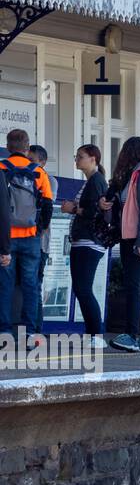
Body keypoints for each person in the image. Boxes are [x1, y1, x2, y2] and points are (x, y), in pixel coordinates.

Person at [102, 136, 140, 352]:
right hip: (130, 236)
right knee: (136, 286)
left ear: (128, 153)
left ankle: (131, 335)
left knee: (132, 286)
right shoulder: (131, 176)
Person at [0, 129, 54, 349]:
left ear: (8, 146)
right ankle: (29, 333)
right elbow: (48, 206)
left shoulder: (1, 168)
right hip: (31, 238)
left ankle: (4, 333)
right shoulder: (39, 173)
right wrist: (39, 229)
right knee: (31, 286)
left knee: (5, 285)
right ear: (27, 147)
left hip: (5, 238)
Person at [60, 144, 110, 348]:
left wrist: (74, 209)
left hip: (89, 241)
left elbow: (94, 212)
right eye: (76, 156)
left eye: (80, 156)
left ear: (93, 159)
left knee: (83, 288)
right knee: (82, 288)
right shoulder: (91, 181)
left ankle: (96, 335)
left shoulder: (96, 181)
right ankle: (93, 334)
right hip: (83, 241)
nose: (76, 160)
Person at [29, 144, 52, 333]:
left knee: (34, 286)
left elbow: (47, 209)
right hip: (26, 241)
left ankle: (35, 330)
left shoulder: (48, 180)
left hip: (39, 244)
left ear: (43, 162)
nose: (28, 165)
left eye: (32, 161)